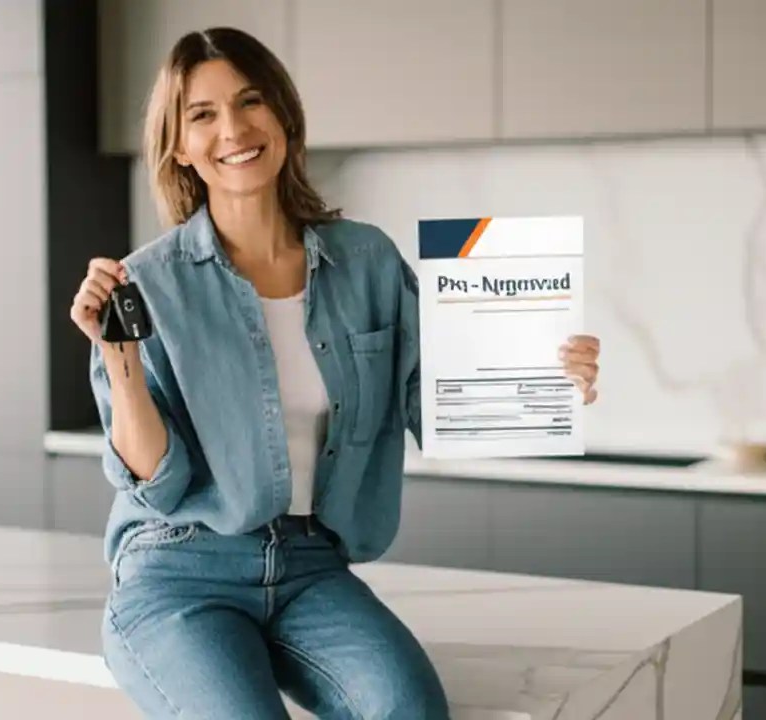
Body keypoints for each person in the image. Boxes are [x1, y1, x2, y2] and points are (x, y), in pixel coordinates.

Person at [68, 27, 601, 720]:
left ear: (284, 115)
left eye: (251, 100)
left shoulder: (368, 262)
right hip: (178, 572)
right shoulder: (146, 282)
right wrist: (119, 356)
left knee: (409, 710)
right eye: (202, 114)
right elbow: (157, 480)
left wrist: (551, 380)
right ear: (177, 145)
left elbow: (435, 404)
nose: (233, 128)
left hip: (310, 566)